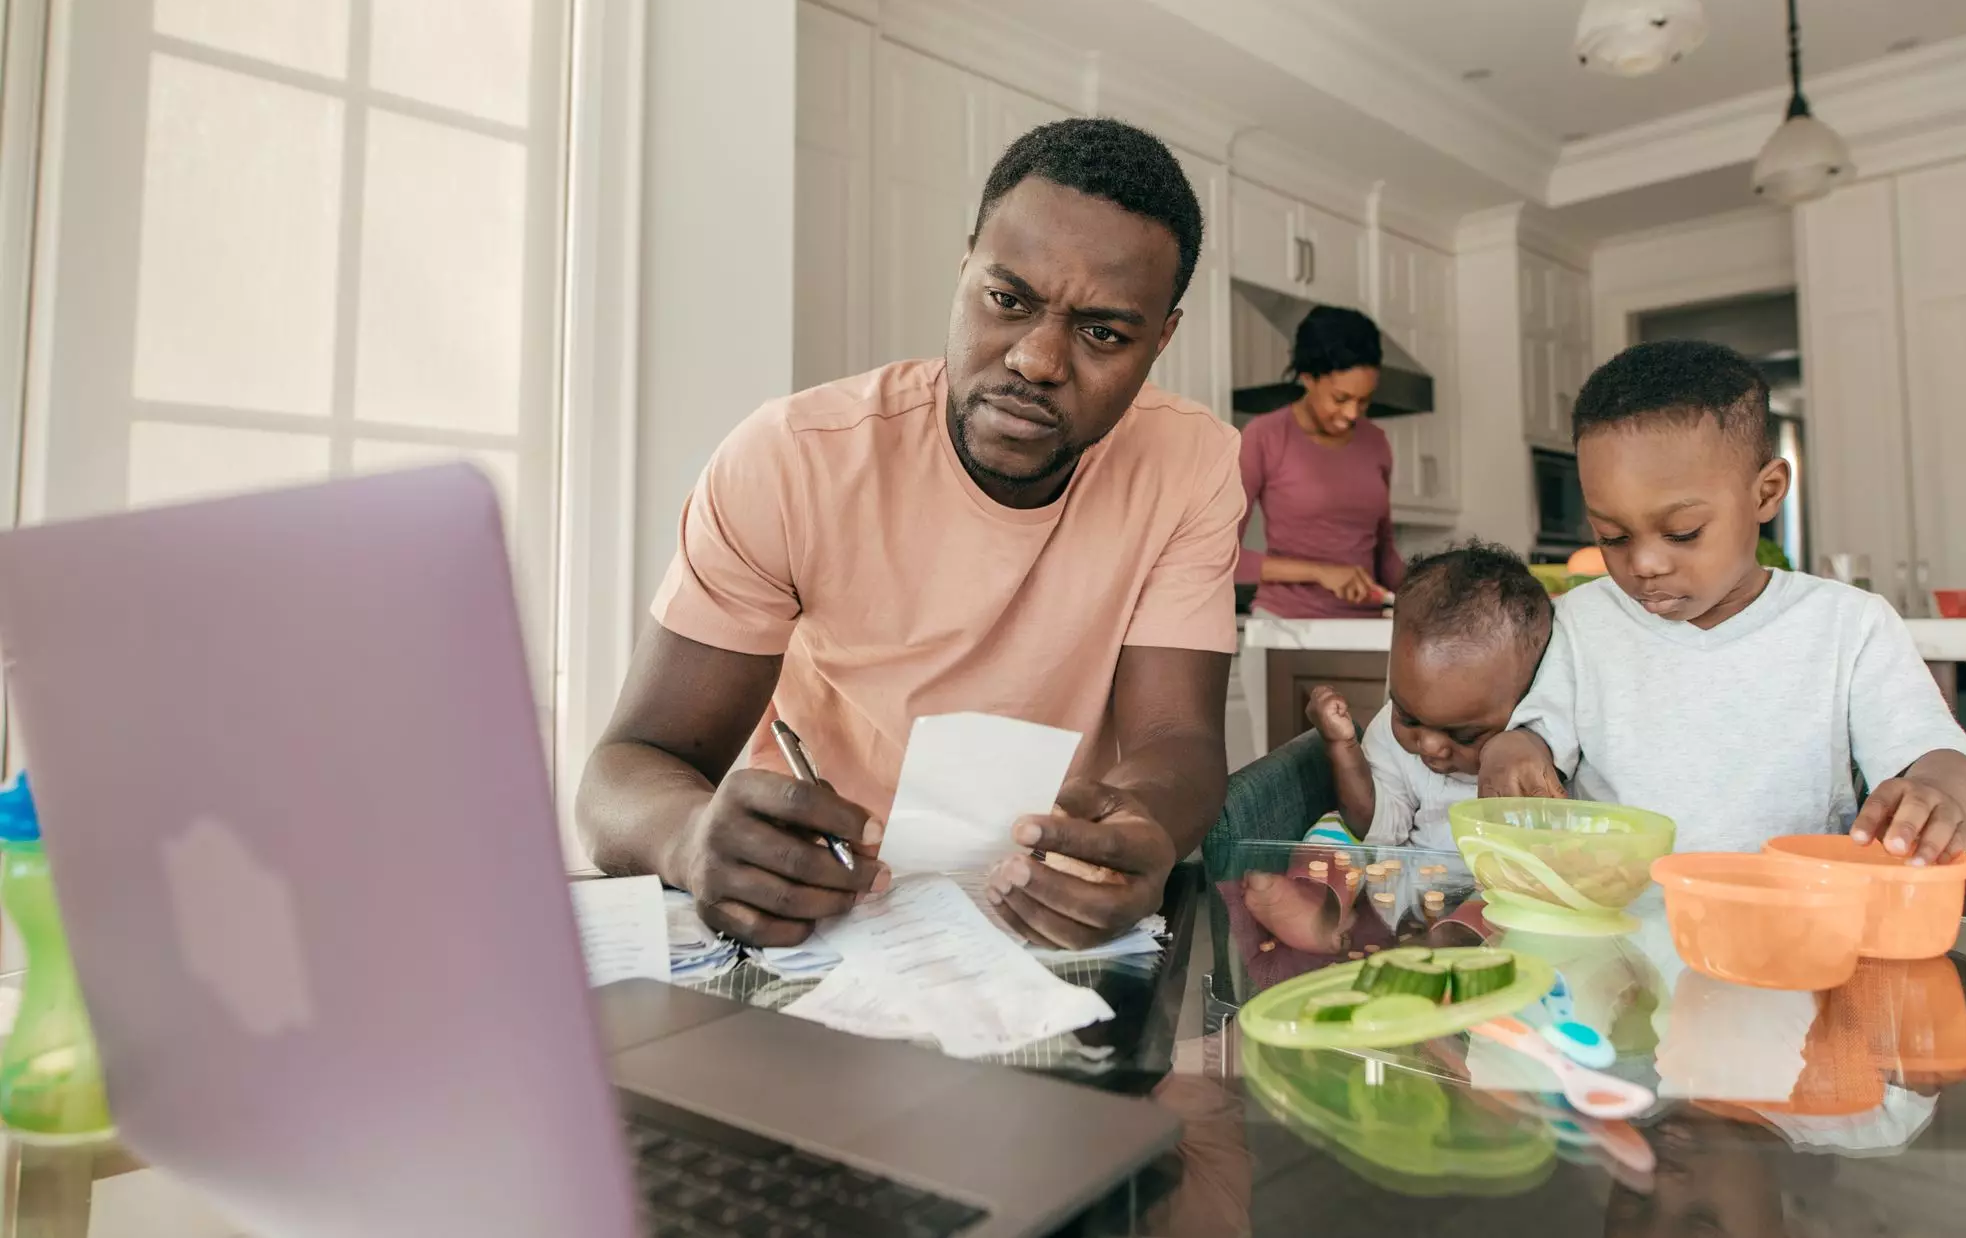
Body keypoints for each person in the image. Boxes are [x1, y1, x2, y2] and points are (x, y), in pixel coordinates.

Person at [577, 118, 1245, 949]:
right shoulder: (791, 459)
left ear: (1162, 340)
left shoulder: (1195, 464)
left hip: (1043, 910)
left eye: (1103, 332)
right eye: (1006, 301)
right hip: (810, 909)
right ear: (964, 266)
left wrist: (1140, 824)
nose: (1037, 360)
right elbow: (625, 770)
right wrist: (687, 836)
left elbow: (1174, 737)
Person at [1479, 340, 1966, 861]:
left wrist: (1941, 794)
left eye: (1682, 533)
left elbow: (1939, 758)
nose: (1645, 563)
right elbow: (1537, 740)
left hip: (1788, 924)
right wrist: (1511, 749)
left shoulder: (1847, 624)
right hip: (1618, 931)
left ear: (1766, 493)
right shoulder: (1583, 622)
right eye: (1613, 536)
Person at [1302, 542, 1554, 850]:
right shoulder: (1388, 733)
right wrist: (1342, 746)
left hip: (1509, 891)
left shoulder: (1545, 738)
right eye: (1408, 717)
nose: (1431, 746)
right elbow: (1376, 828)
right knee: (1329, 836)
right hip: (1419, 891)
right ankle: (1313, 896)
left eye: (1464, 734)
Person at [1237, 304, 1404, 616]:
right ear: (1308, 378)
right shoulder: (1265, 436)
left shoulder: (1376, 442)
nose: (1352, 414)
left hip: (1367, 627)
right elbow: (1222, 555)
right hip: (1288, 626)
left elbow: (1385, 553)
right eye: (1341, 399)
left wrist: (1424, 593)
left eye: (1364, 400)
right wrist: (1320, 572)